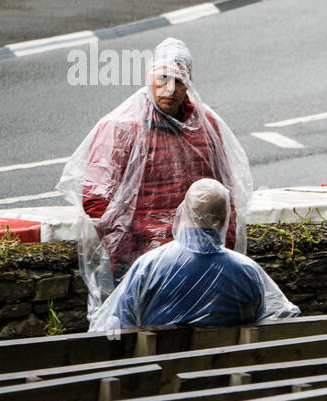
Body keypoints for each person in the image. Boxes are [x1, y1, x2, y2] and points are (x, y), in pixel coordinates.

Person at [57, 37, 252, 314]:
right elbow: (95, 197)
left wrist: (222, 246)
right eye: (162, 78)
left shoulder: (205, 126)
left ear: (190, 84)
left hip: (200, 261)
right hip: (141, 264)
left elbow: (225, 191)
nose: (170, 89)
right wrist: (131, 251)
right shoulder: (122, 126)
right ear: (149, 77)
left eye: (179, 81)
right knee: (140, 334)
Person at [89, 179, 298, 331]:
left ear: (185, 211)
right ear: (225, 217)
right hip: (228, 374)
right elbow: (282, 315)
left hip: (161, 374)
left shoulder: (150, 265)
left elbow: (116, 322)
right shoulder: (248, 271)